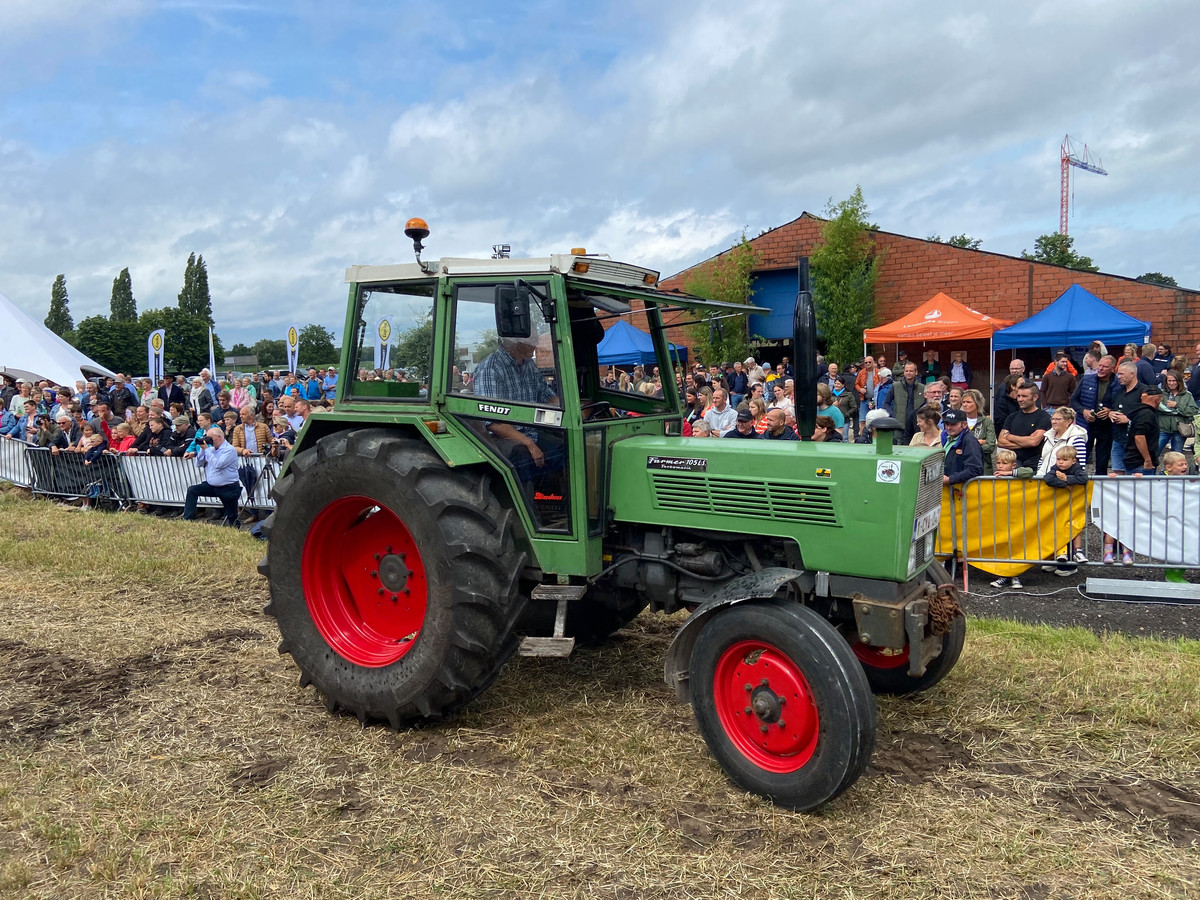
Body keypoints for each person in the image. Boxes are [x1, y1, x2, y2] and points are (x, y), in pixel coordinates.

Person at [1041, 445, 1090, 574]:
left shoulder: (1077, 468)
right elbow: (1048, 479)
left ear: (1074, 461)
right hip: (1058, 505)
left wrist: (1066, 478)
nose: (1060, 462)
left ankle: (1071, 561)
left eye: (1064, 460)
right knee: (1055, 528)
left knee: (1071, 528)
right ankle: (1054, 559)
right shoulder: (1056, 468)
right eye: (1058, 459)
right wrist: (1065, 484)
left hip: (1074, 504)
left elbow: (1084, 479)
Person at [181, 427, 242, 525]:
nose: (208, 440)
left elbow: (219, 465)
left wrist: (207, 450)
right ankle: (187, 520)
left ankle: (234, 528)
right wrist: (202, 450)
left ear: (218, 437)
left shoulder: (229, 450)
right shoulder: (211, 449)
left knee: (231, 515)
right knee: (192, 490)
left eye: (210, 438)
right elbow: (199, 464)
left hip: (228, 487)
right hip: (212, 485)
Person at [1071, 354, 1117, 474]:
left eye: (1105, 367)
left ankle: (1099, 488)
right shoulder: (1087, 379)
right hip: (1086, 425)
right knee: (1079, 459)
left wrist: (1110, 411)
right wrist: (1083, 411)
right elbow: (1073, 400)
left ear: (1112, 368)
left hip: (1106, 427)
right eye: (1100, 365)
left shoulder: (1118, 383)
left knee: (1102, 461)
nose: (1100, 369)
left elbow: (1125, 404)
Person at [998, 383, 1051, 471]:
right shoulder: (1012, 417)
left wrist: (1010, 437)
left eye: (1024, 396)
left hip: (1034, 466)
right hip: (1013, 465)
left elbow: (1034, 442)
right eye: (1018, 396)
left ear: (1035, 397)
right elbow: (1001, 442)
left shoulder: (1044, 417)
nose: (1020, 399)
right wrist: (1026, 442)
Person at [1107, 361, 1147, 475]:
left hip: (1135, 442)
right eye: (1118, 374)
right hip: (1118, 439)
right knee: (1117, 475)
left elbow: (1149, 417)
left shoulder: (1144, 392)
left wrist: (1129, 420)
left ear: (1132, 374)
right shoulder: (1119, 391)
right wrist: (1110, 413)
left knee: (1135, 478)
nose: (1118, 377)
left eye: (1121, 374)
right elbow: (1113, 408)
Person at [1036, 406, 1089, 477]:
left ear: (1069, 421)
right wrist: (1039, 474)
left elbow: (1080, 465)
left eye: (1058, 419)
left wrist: (1066, 479)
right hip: (1043, 479)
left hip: (1062, 482)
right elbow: (1042, 458)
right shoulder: (1048, 437)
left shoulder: (1077, 439)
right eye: (1053, 419)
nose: (1054, 422)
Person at [1123, 385, 1161, 476]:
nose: (1160, 402)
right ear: (1156, 398)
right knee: (1144, 490)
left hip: (1135, 460)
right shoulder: (1146, 414)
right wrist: (1147, 459)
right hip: (1140, 463)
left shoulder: (1139, 412)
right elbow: (1139, 437)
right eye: (1160, 399)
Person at [1157, 370, 1197, 455]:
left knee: (1176, 456)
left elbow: (1194, 411)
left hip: (1180, 430)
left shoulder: (1187, 395)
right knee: (1153, 455)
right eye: (1169, 381)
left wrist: (1177, 406)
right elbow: (1157, 407)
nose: (1171, 383)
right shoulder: (1161, 393)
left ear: (1179, 381)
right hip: (1162, 429)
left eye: (1174, 381)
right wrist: (1177, 412)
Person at [941, 409, 983, 485]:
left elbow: (974, 469)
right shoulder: (947, 439)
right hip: (950, 491)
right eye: (947, 424)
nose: (949, 427)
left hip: (962, 492)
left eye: (953, 424)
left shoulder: (970, 441)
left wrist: (950, 479)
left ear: (964, 424)